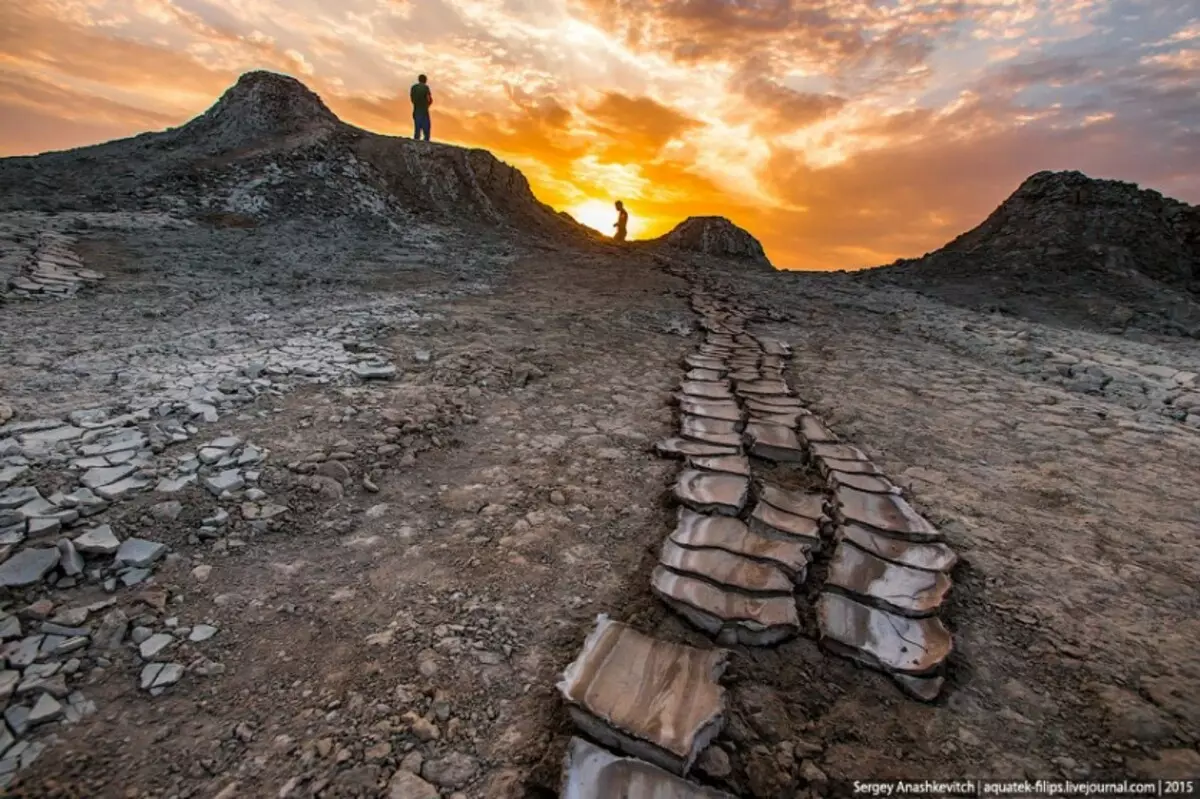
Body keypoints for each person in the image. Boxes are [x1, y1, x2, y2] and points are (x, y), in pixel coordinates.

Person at [411, 74, 432, 142]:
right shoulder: (426, 87)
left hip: (416, 109)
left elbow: (412, 99)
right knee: (426, 128)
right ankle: (425, 143)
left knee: (417, 128)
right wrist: (428, 104)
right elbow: (429, 99)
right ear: (425, 80)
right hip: (424, 110)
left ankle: (416, 142)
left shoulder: (413, 87)